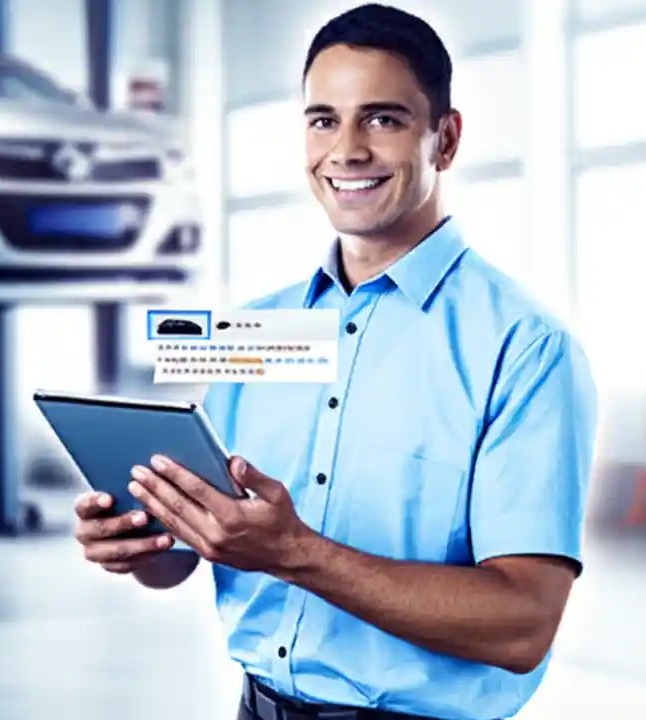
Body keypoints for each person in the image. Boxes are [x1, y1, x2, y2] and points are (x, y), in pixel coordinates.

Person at [72, 4, 597, 720]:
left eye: (382, 119)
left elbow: (522, 625)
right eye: (324, 120)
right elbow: (191, 557)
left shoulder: (525, 348)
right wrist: (145, 542)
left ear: (445, 139)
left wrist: (295, 550)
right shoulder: (255, 333)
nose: (346, 150)